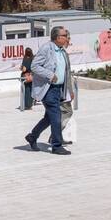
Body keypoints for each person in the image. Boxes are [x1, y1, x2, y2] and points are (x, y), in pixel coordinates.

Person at [25, 26, 73, 154]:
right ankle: (56, 145)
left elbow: (67, 72)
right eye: (64, 35)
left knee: (49, 118)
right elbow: (34, 66)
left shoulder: (62, 51)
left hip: (58, 89)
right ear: (57, 37)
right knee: (56, 116)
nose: (66, 37)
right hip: (48, 89)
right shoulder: (47, 48)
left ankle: (32, 137)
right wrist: (50, 75)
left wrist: (70, 90)